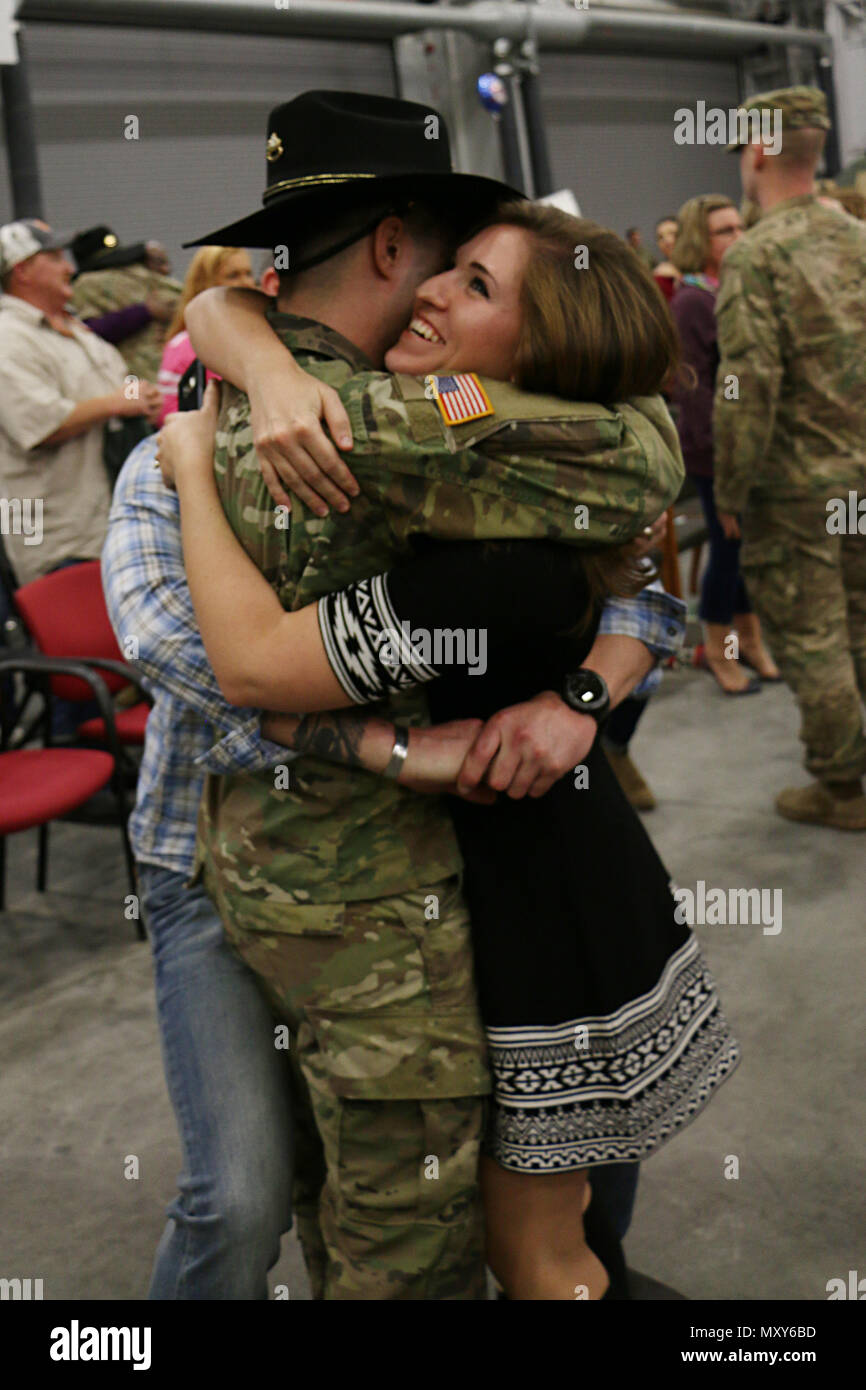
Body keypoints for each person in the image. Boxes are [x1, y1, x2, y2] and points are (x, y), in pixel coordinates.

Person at [166, 93, 737, 1299]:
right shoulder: (389, 414)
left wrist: (578, 695)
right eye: (450, 261)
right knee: (473, 1223)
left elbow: (637, 504)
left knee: (526, 1232)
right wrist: (248, 350)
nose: (435, 291)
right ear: (391, 242)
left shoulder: (441, 427)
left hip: (513, 877)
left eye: (475, 286)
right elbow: (236, 673)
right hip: (429, 889)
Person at [714, 86, 866, 830]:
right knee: (864, 624)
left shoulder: (757, 255)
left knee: (813, 637)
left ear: (762, 151)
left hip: (796, 488)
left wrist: (731, 489)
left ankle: (842, 789)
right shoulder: (858, 241)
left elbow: (747, 385)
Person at [0, 219, 161, 588]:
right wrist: (119, 403)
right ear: (22, 270)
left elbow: (124, 386)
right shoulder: (8, 338)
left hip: (109, 530)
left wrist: (142, 396)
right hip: (57, 538)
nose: (70, 268)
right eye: (55, 257)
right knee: (73, 643)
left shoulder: (77, 331)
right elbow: (42, 425)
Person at [670, 194, 779, 695]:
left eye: (739, 226)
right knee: (728, 549)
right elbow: (694, 389)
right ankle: (719, 649)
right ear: (701, 240)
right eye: (724, 230)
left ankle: (750, 641)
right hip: (715, 450)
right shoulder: (693, 298)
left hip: (747, 443)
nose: (737, 236)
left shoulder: (732, 287)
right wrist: (720, 459)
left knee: (744, 548)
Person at [70, 224, 182, 382]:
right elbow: (89, 332)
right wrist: (144, 311)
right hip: (129, 375)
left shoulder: (142, 275)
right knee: (133, 401)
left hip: (162, 371)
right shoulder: (85, 285)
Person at [157, 246, 256, 422]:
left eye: (248, 274)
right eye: (233, 276)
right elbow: (169, 415)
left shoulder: (261, 336)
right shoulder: (183, 346)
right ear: (205, 283)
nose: (247, 283)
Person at [652, 214, 682, 301]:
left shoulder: (706, 265)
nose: (666, 240)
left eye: (672, 233)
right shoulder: (661, 277)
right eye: (660, 237)